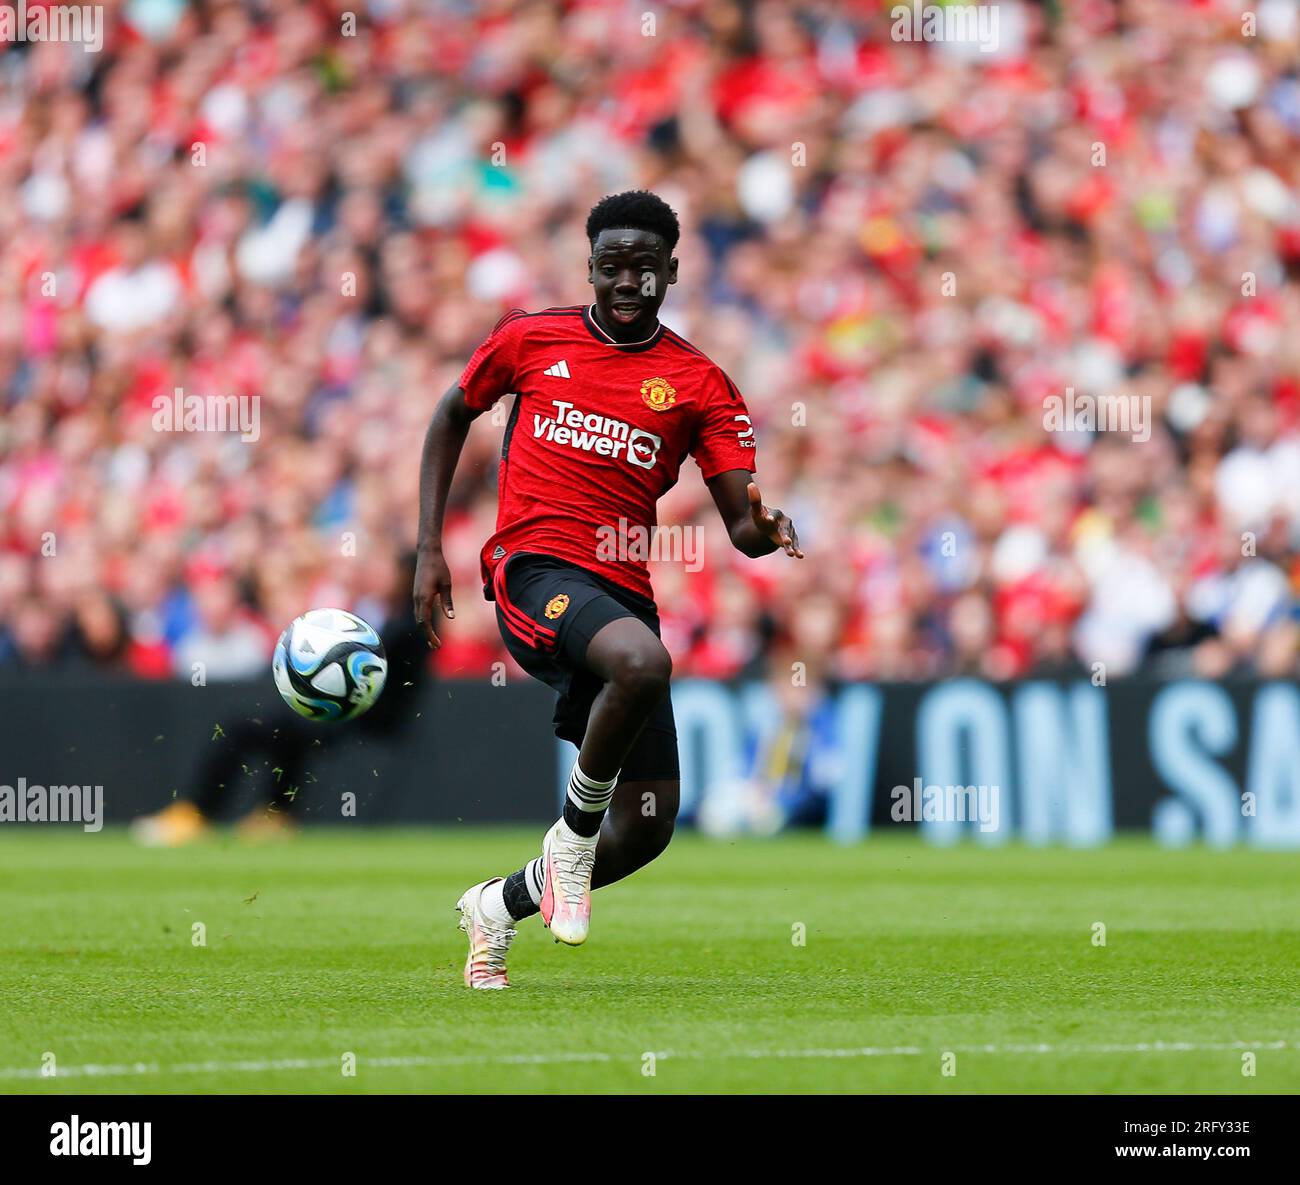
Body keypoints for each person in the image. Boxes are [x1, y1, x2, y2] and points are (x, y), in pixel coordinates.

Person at [413, 190, 803, 989]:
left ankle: (497, 904)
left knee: (651, 824)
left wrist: (767, 527)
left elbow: (740, 525)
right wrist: (428, 547)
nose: (628, 282)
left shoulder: (699, 382)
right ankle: (571, 837)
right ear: (589, 267)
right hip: (534, 568)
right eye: (612, 266)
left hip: (620, 587)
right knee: (643, 663)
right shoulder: (531, 339)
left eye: (646, 268)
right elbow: (452, 414)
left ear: (672, 271)